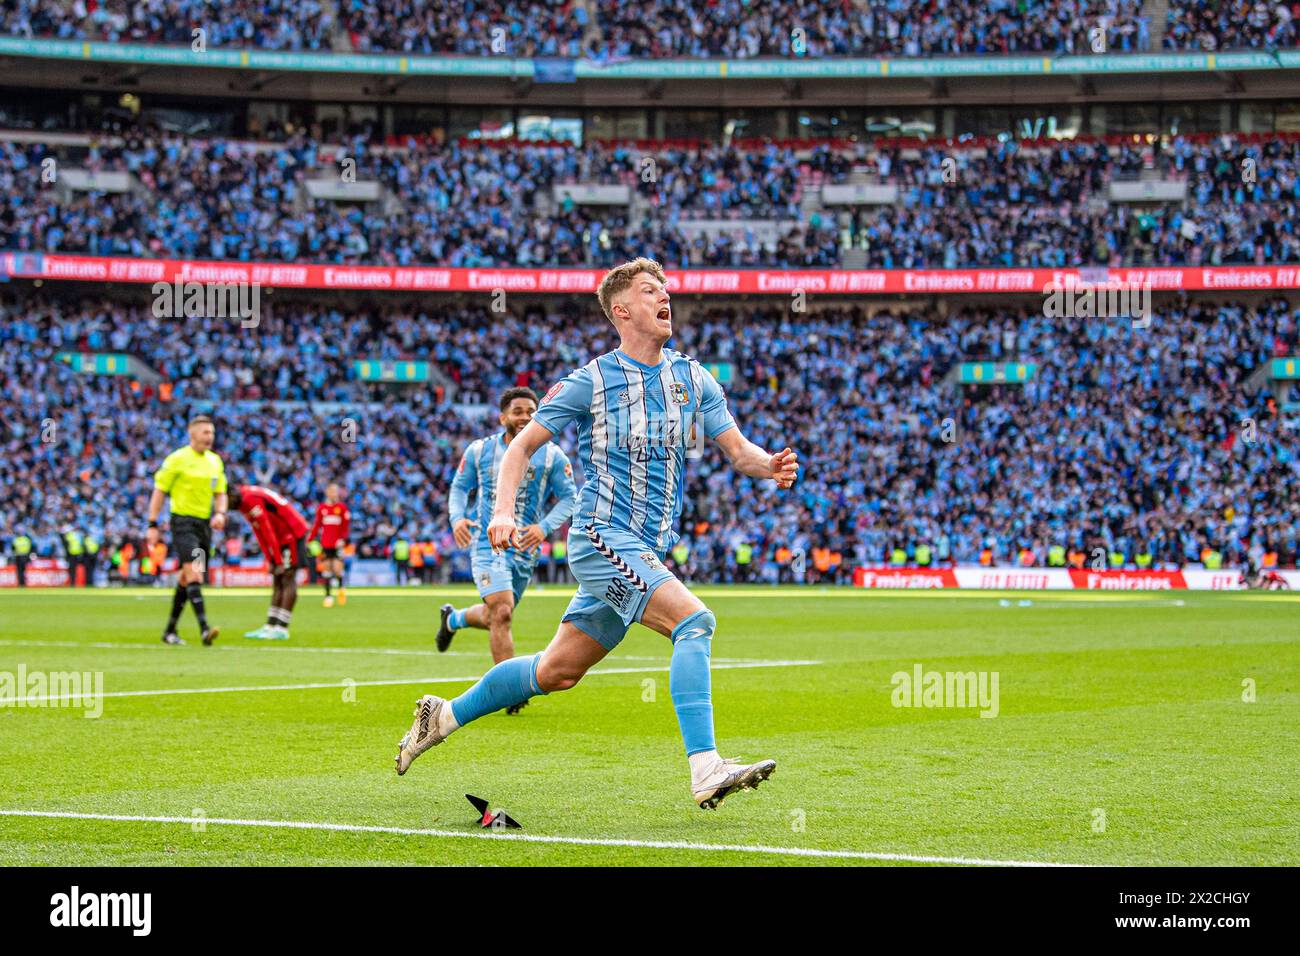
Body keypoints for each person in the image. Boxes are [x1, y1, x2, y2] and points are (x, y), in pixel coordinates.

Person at [393, 258, 799, 810]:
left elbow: (739, 450)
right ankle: (705, 767)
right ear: (622, 310)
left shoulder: (693, 378)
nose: (666, 297)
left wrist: (769, 465)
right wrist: (503, 512)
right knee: (694, 622)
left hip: (643, 548)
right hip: (602, 535)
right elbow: (521, 447)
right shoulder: (591, 381)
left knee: (556, 672)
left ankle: (441, 716)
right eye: (651, 289)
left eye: (666, 289)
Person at [434, 387, 578, 716]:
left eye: (531, 410)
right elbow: (459, 487)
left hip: (524, 549)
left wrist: (543, 527)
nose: (525, 416)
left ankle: (453, 619)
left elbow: (570, 498)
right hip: (488, 543)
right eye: (518, 411)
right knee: (502, 612)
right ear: (503, 417)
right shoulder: (479, 451)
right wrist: (457, 518)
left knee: (495, 615)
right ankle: (508, 691)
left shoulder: (553, 455)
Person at [146, 414, 226, 646]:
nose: (210, 437)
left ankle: (170, 631)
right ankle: (204, 629)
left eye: (211, 433)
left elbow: (220, 492)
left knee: (186, 578)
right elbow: (159, 491)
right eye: (205, 432)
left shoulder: (215, 462)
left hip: (204, 526)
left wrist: (220, 513)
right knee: (194, 573)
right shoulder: (176, 460)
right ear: (192, 435)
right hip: (183, 523)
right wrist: (152, 523)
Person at [228, 485, 310, 641]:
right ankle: (270, 626)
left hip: (291, 533)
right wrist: (271, 559)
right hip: (281, 535)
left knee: (287, 577)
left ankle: (281, 628)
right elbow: (259, 531)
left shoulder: (250, 499)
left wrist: (277, 560)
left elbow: (266, 529)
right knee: (278, 579)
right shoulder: (243, 500)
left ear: (231, 495)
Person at [309, 482, 351, 607]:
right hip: (326, 543)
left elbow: (345, 527)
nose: (334, 494)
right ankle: (328, 596)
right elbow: (317, 525)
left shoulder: (342, 508)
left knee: (337, 569)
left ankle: (341, 590)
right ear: (327, 493)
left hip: (338, 544)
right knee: (327, 569)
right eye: (332, 491)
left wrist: (343, 539)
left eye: (335, 491)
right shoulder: (322, 509)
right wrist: (310, 539)